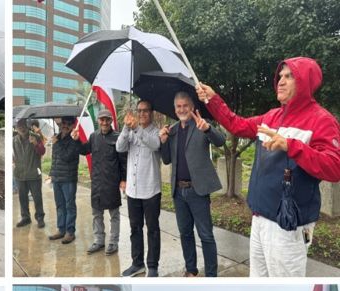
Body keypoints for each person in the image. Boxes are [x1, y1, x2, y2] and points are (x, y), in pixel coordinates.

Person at [196, 57, 340, 276]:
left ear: (305, 82)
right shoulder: (272, 117)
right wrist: (214, 100)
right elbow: (238, 125)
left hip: (288, 227)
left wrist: (291, 146)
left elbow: (334, 167)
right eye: (280, 76)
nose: (281, 81)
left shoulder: (321, 120)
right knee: (259, 285)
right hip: (260, 218)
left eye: (289, 76)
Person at [159, 92, 226, 277]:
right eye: (178, 106)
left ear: (192, 107)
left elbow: (221, 141)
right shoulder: (171, 130)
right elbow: (166, 160)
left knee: (205, 235)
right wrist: (163, 142)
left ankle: (211, 275)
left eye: (185, 106)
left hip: (198, 190)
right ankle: (191, 270)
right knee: (185, 234)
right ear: (175, 109)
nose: (182, 109)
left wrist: (208, 129)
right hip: (178, 191)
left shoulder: (201, 125)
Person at [116, 99, 163, 277]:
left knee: (152, 229)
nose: (142, 113)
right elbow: (120, 148)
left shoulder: (156, 132)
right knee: (135, 228)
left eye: (145, 110)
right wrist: (126, 128)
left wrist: (136, 129)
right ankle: (137, 263)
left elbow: (155, 144)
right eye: (139, 110)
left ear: (151, 113)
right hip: (133, 190)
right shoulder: (130, 130)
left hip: (150, 189)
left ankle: (152, 266)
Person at [72, 110, 127, 255]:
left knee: (114, 215)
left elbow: (123, 161)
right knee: (97, 214)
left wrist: (123, 179)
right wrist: (77, 140)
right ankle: (99, 241)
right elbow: (84, 150)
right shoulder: (93, 136)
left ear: (111, 121)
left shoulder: (118, 137)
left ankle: (113, 242)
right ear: (98, 121)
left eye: (107, 120)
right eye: (102, 120)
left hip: (112, 183)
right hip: (96, 182)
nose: (104, 123)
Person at [48, 116, 81, 245]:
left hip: (68, 178)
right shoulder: (57, 137)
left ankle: (70, 232)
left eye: (68, 124)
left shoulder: (74, 140)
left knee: (69, 205)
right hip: (57, 177)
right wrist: (51, 174)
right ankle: (61, 229)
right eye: (63, 123)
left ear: (73, 125)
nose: (65, 126)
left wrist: (56, 144)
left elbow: (67, 156)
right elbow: (55, 158)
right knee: (60, 205)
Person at [13, 119, 46, 229]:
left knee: (37, 197)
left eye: (23, 126)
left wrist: (36, 144)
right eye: (19, 126)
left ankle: (40, 218)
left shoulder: (35, 137)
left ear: (27, 126)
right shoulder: (14, 140)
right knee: (22, 197)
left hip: (34, 173)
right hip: (20, 174)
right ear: (16, 128)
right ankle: (25, 218)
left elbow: (42, 151)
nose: (21, 128)